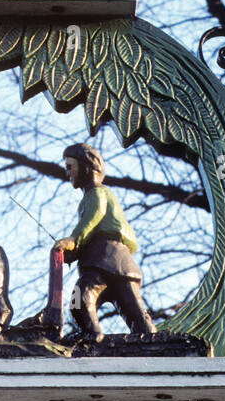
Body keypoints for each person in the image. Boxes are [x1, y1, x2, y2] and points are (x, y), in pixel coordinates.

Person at [52, 143, 156, 343]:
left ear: (85, 166)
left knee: (82, 301)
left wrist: (74, 241)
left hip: (109, 259)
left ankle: (93, 336)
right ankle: (96, 336)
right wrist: (75, 252)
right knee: (129, 312)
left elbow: (93, 217)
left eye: (70, 166)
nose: (67, 173)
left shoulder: (97, 193)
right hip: (106, 261)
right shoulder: (90, 196)